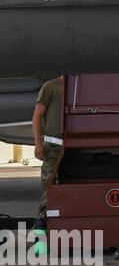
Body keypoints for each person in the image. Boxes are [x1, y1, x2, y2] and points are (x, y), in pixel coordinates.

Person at [31, 75, 64, 227]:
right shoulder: (51, 86)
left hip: (74, 148)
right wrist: (38, 143)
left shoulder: (80, 87)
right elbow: (37, 115)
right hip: (53, 148)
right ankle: (41, 240)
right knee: (48, 194)